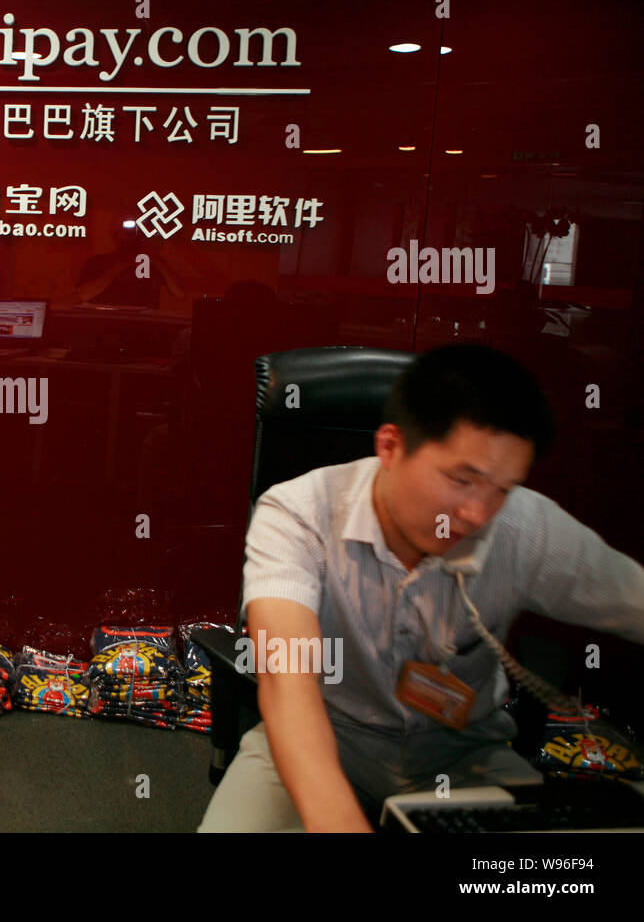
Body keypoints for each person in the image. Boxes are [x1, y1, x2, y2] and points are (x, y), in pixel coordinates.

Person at [198, 343, 644, 832]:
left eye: (501, 488)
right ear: (390, 447)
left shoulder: (522, 525)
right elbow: (287, 677)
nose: (478, 513)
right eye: (461, 479)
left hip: (462, 757)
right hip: (325, 738)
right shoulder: (299, 514)